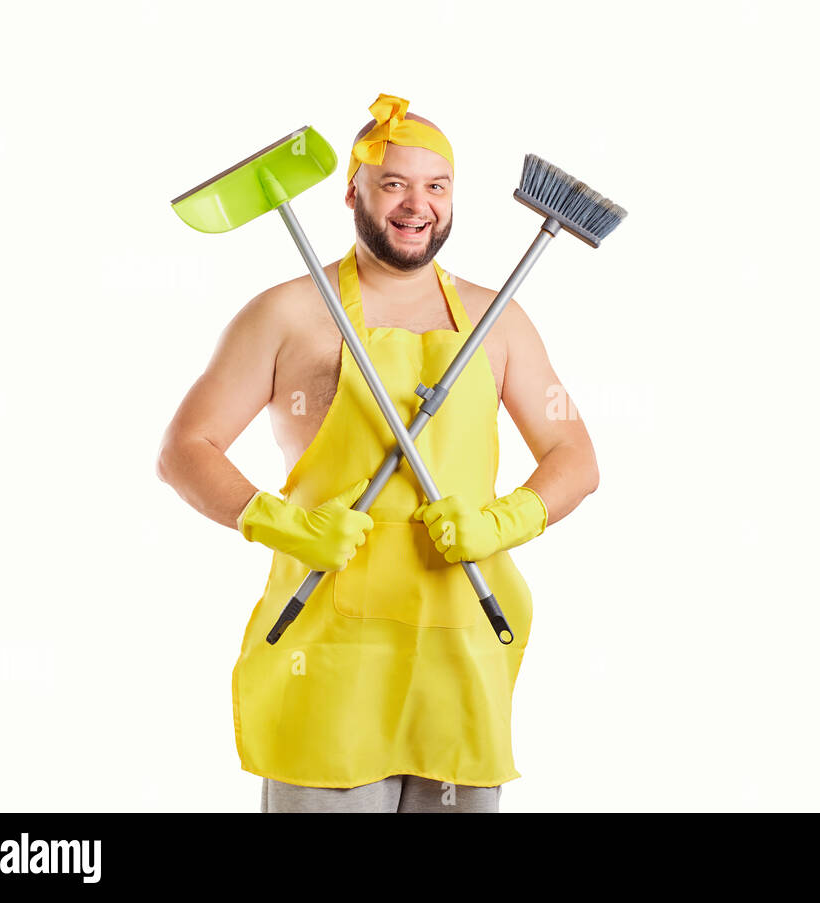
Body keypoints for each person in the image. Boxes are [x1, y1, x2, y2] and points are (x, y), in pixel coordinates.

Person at [156, 93, 599, 812]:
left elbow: (574, 454)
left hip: (462, 651)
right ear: (351, 192)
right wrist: (278, 522)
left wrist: (505, 521)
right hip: (328, 658)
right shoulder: (287, 311)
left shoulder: (499, 318)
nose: (416, 204)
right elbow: (184, 448)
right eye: (393, 183)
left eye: (436, 186)